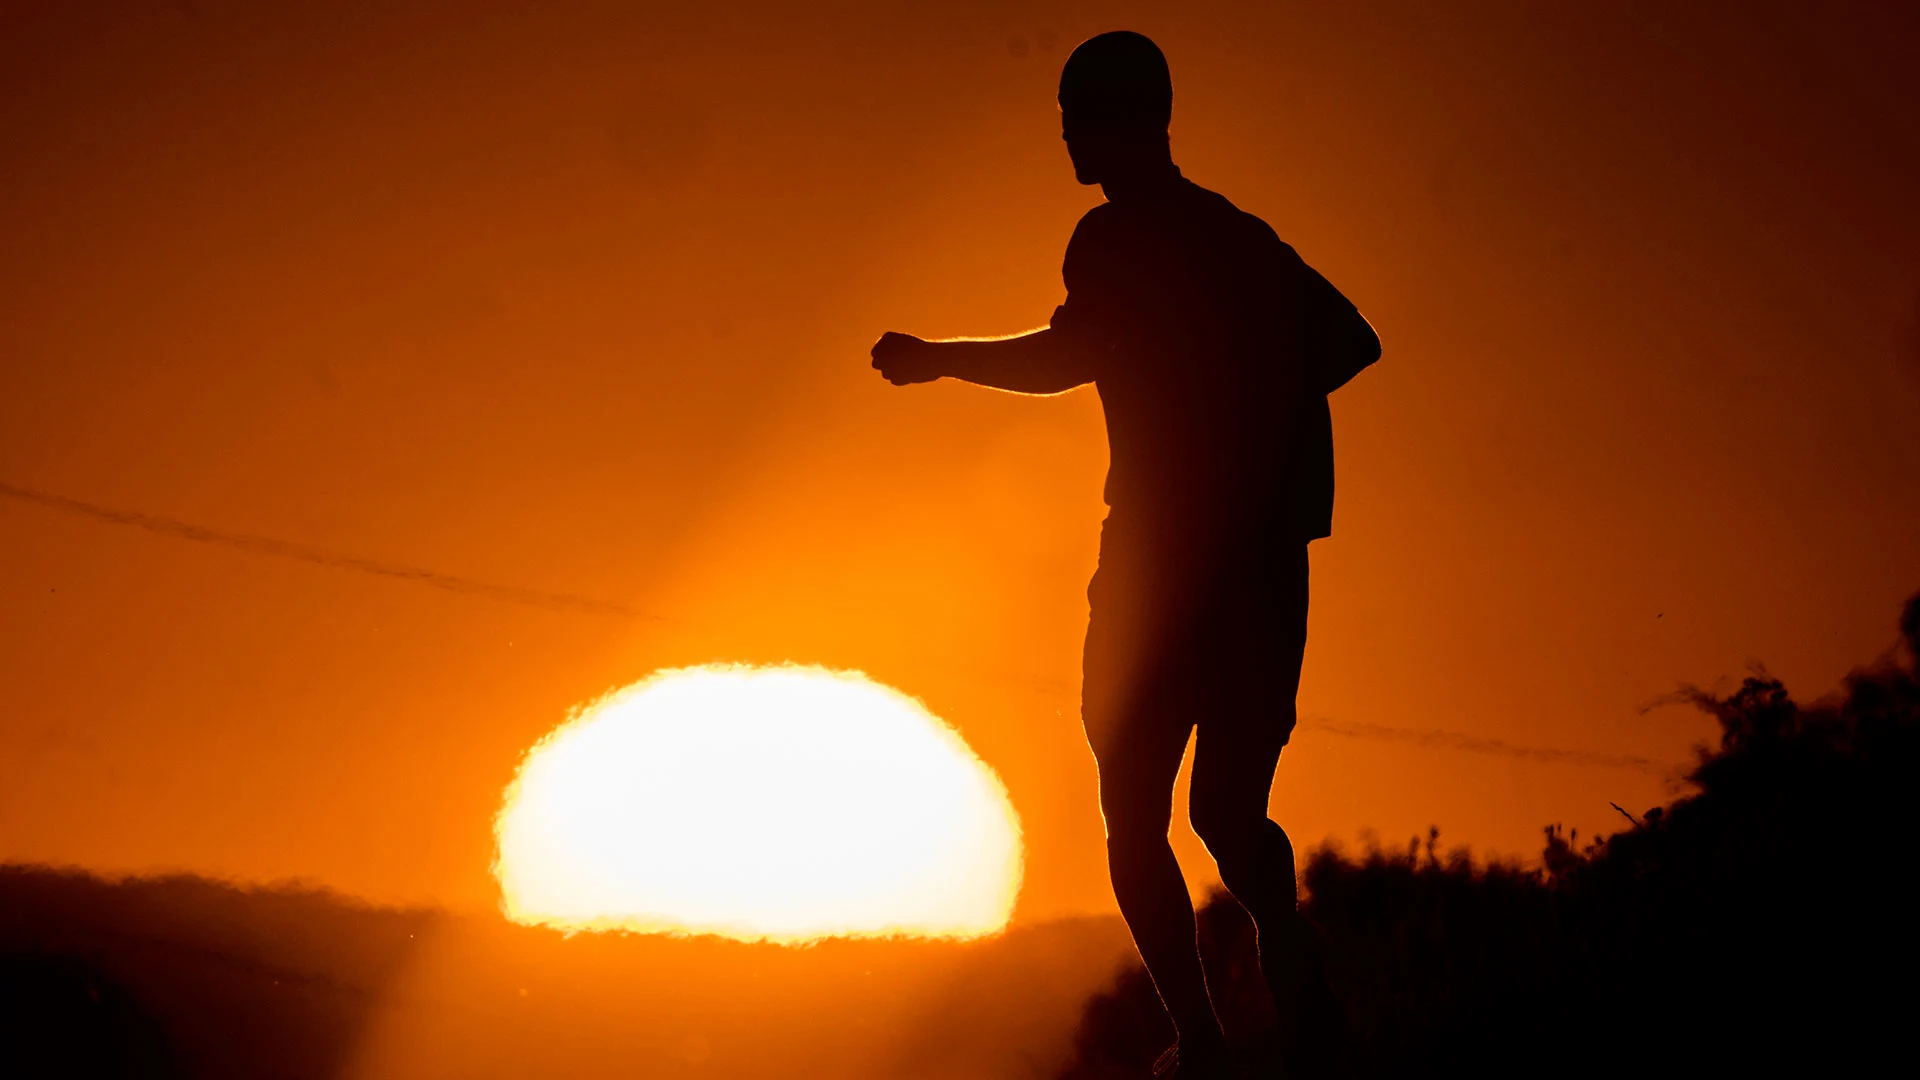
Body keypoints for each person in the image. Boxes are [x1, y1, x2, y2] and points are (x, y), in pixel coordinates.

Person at [871, 30, 1380, 1079]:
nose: (1065, 138)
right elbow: (1344, 342)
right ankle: (1284, 988)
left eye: (1076, 118)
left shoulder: (1115, 237)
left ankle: (1204, 1039)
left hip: (1169, 568)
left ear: (1128, 120)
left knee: (1143, 814)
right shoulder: (1241, 237)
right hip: (1259, 571)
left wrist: (939, 362)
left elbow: (1075, 355)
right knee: (1226, 815)